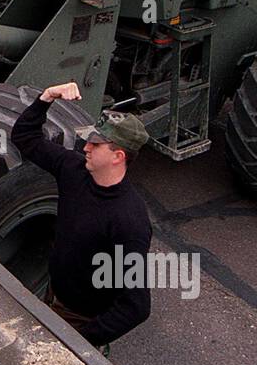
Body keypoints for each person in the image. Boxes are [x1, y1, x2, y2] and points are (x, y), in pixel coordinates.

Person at [11, 82, 152, 350]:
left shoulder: (129, 221)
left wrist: (81, 342)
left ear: (117, 156)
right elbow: (25, 138)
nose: (86, 147)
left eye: (96, 144)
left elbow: (136, 306)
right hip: (53, 295)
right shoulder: (74, 169)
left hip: (78, 320)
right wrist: (46, 98)